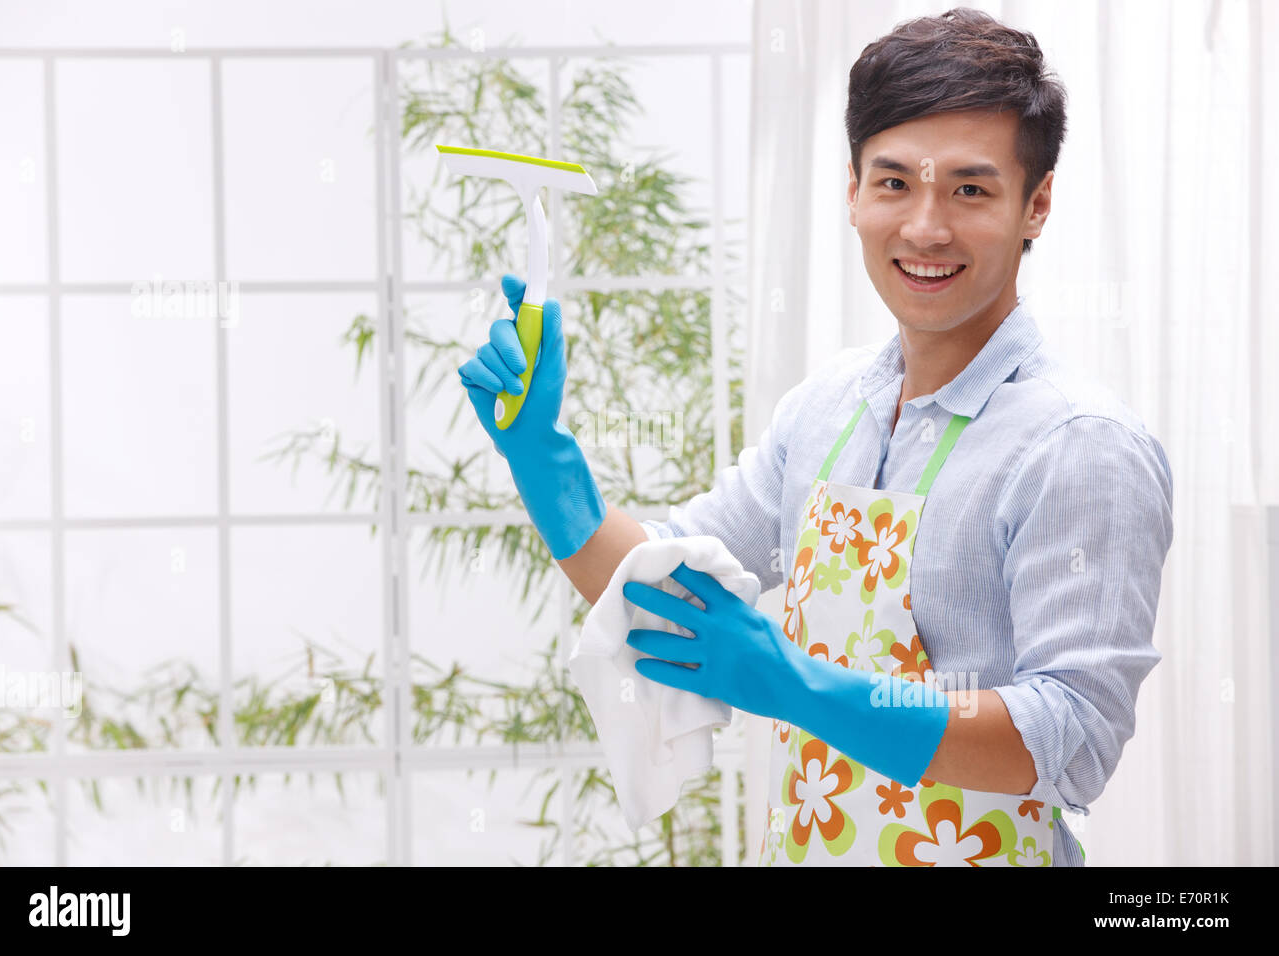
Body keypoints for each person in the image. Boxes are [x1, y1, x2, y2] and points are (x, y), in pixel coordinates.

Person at [457, 7, 1172, 867]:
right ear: (853, 191)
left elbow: (1074, 736)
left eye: (971, 190)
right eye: (895, 182)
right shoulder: (826, 409)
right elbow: (656, 587)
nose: (925, 228)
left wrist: (796, 685)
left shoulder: (1078, 446)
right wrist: (544, 459)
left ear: (1037, 204)